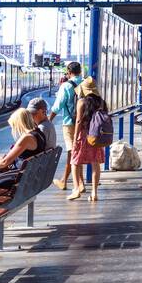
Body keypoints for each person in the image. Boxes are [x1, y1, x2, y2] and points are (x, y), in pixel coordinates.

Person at [0, 107, 47, 237]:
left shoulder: (26, 138)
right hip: (28, 180)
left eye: (14, 126)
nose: (14, 130)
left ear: (20, 123)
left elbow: (5, 162)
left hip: (18, 182)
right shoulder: (39, 134)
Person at [69, 78, 108, 203]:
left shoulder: (82, 102)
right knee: (95, 163)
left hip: (83, 134)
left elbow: (79, 121)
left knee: (75, 162)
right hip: (96, 135)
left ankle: (76, 189)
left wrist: (75, 139)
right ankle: (94, 192)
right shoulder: (101, 102)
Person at [49, 60, 82, 190]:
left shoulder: (67, 86)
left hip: (70, 123)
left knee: (72, 152)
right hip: (84, 123)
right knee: (78, 150)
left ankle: (65, 181)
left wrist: (49, 120)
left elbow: (58, 106)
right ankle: (80, 182)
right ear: (80, 71)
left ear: (69, 72)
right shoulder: (86, 83)